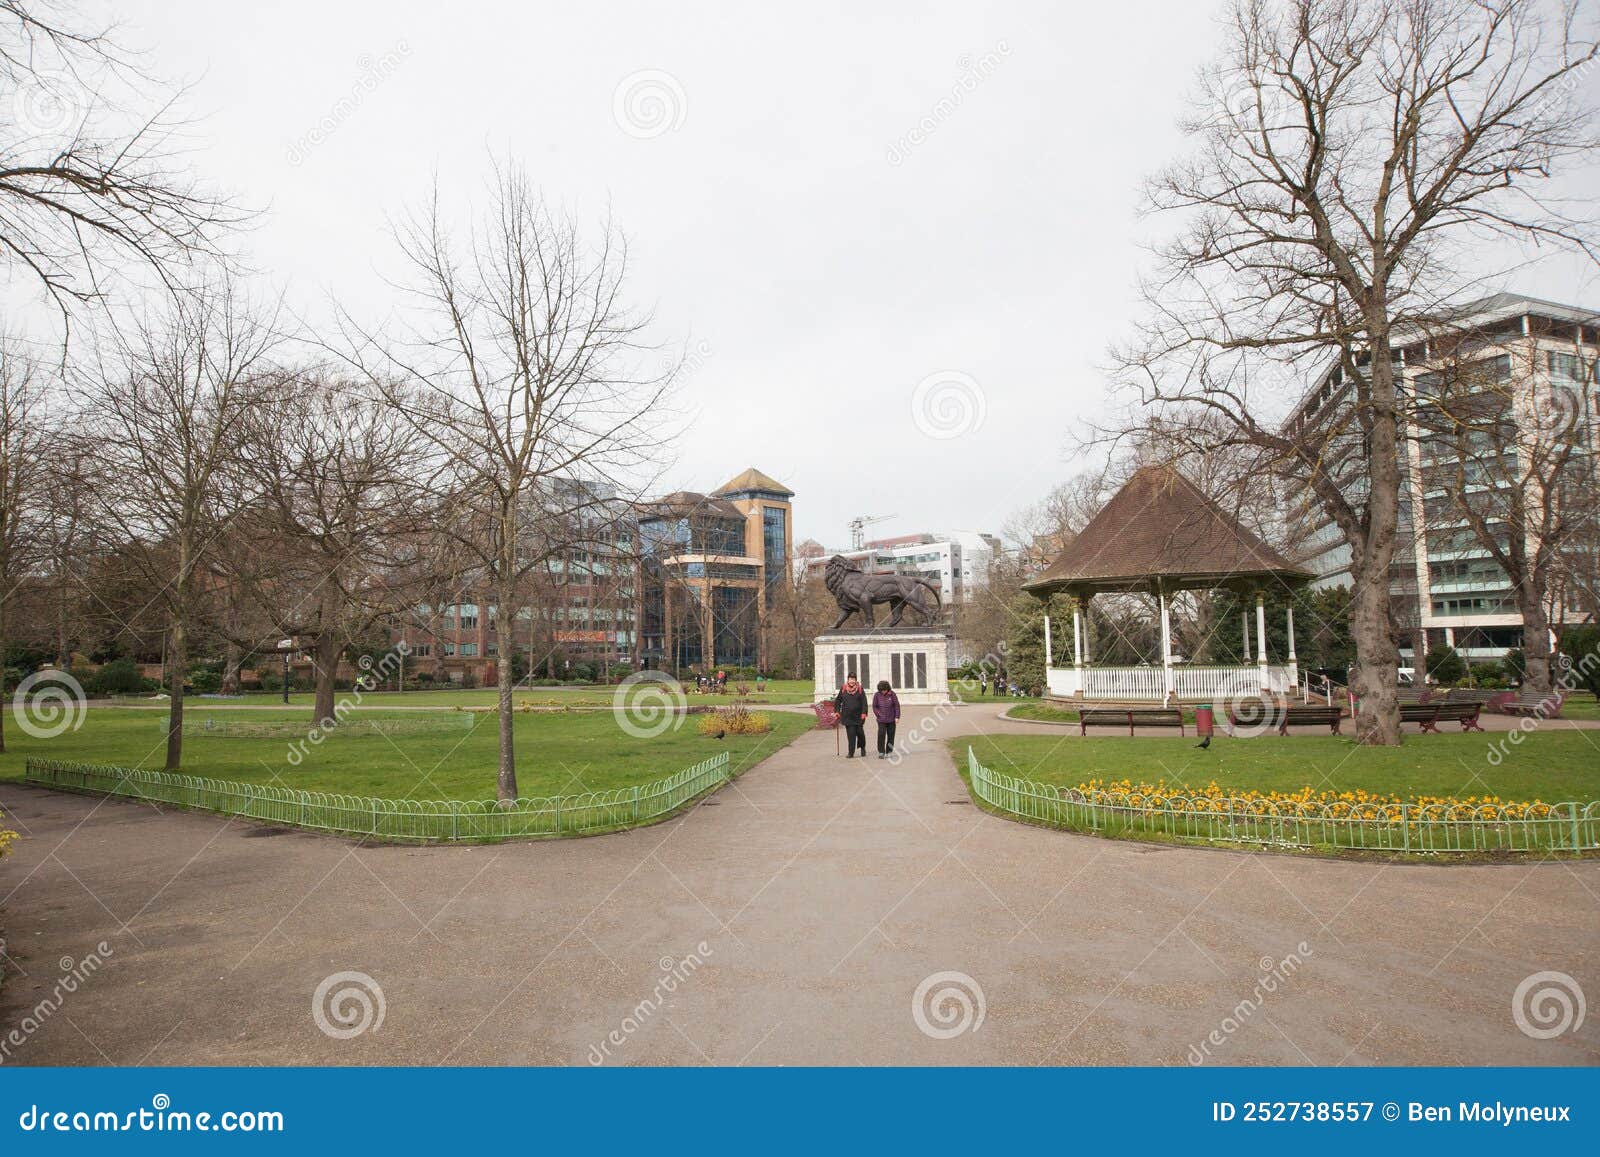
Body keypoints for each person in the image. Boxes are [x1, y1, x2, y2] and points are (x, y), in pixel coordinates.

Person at [834, 674, 868, 758]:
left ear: (856, 680)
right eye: (850, 679)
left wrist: (864, 713)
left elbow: (864, 702)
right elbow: (838, 701)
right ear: (848, 680)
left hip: (859, 716)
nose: (852, 681)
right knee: (851, 735)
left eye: (853, 679)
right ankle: (851, 752)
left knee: (860, 733)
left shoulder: (860, 689)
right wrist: (837, 711)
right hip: (847, 716)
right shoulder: (843, 689)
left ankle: (862, 747)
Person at [871, 679, 901, 758]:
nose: (883, 692)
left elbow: (896, 706)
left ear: (887, 688)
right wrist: (878, 714)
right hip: (881, 720)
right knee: (881, 734)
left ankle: (889, 751)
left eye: (884, 690)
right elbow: (874, 706)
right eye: (882, 690)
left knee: (891, 735)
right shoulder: (877, 695)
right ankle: (881, 751)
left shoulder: (892, 694)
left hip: (891, 719)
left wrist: (897, 716)